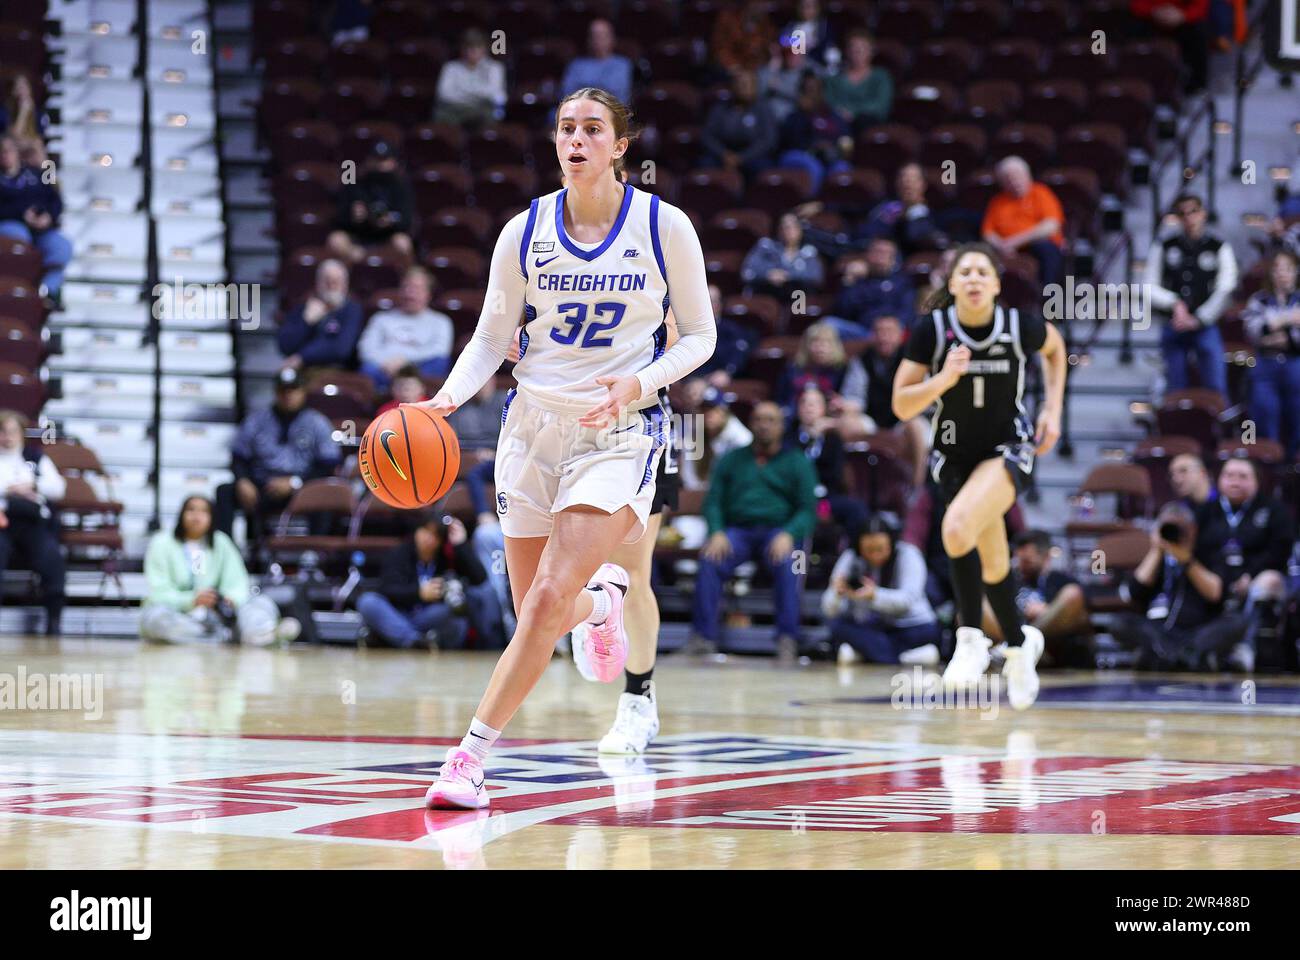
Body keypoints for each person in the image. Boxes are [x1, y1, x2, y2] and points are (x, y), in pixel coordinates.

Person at [412, 86, 716, 810]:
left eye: (591, 129)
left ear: (620, 146)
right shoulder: (523, 230)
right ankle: (604, 607)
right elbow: (492, 336)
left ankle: (469, 759)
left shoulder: (664, 226)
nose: (575, 140)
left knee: (549, 594)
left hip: (617, 429)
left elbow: (702, 337)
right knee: (537, 612)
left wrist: (639, 381)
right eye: (564, 129)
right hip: (531, 428)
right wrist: (446, 400)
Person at [892, 242, 1067, 709]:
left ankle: (969, 637)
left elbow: (1055, 348)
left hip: (1008, 448)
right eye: (964, 271)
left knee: (956, 527)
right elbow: (901, 403)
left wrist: (1052, 409)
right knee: (991, 562)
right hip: (953, 456)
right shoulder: (932, 331)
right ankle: (1018, 644)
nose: (972, 279)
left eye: (981, 272)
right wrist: (941, 381)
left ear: (995, 284)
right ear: (951, 284)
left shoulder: (1017, 325)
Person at [568, 313, 685, 756]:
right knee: (562, 553)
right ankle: (592, 607)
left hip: (639, 421)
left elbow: (681, 337)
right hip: (563, 415)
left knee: (632, 571)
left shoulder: (657, 251)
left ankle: (639, 699)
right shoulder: (553, 253)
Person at [684, 401, 817, 663]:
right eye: (758, 419)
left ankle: (787, 639)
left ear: (781, 426)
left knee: (793, 564)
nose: (763, 425)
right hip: (738, 533)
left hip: (778, 533)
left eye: (770, 420)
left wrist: (789, 533)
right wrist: (717, 531)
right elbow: (713, 501)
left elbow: (808, 510)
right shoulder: (732, 460)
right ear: (750, 423)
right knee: (710, 559)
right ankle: (703, 638)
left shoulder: (797, 462)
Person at [140, 496, 300, 646]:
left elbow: (237, 582)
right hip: (178, 613)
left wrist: (230, 599)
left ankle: (262, 632)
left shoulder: (221, 542)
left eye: (204, 511)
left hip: (216, 615)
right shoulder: (162, 543)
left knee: (260, 601)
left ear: (211, 517)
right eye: (191, 510)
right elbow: (158, 591)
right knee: (155, 618)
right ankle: (225, 637)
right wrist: (191, 600)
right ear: (181, 514)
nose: (197, 516)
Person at [214, 368, 341, 543]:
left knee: (324, 496)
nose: (288, 395)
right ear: (275, 392)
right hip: (262, 486)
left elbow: (328, 464)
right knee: (225, 492)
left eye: (293, 390)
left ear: (303, 391)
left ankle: (316, 555)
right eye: (283, 390)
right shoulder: (257, 420)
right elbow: (239, 457)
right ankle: (227, 553)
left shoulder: (317, 422)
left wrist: (295, 482)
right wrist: (243, 480)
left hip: (302, 486)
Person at [1193, 457, 1295, 672]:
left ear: (1256, 481)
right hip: (1215, 578)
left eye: (1243, 477)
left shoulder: (1274, 510)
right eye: (1229, 476)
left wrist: (1250, 575)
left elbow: (1279, 551)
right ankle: (1202, 647)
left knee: (1268, 582)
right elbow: (1198, 550)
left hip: (1256, 577)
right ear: (1219, 480)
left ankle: (1245, 646)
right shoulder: (1205, 512)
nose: (1235, 482)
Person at [1111, 502, 1238, 670]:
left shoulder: (1208, 552)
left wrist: (1186, 560)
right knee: (1119, 622)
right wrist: (1157, 550)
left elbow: (1214, 593)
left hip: (1197, 631)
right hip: (1158, 631)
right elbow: (1134, 592)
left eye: (1178, 528)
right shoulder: (1156, 556)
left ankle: (1165, 657)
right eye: (1167, 527)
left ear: (1192, 529)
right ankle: (1183, 658)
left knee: (1236, 621)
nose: (1173, 533)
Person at [356, 513, 502, 649]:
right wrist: (419, 593)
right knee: (368, 602)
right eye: (426, 531)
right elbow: (387, 589)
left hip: (429, 616)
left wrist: (460, 544)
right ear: (417, 531)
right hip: (400, 613)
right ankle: (414, 641)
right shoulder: (400, 553)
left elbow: (479, 579)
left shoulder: (446, 557)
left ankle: (397, 638)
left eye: (436, 535)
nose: (429, 539)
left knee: (458, 617)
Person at [1143, 193, 1237, 398]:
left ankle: (1217, 426)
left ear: (1203, 214)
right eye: (1183, 213)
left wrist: (1200, 318)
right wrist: (1174, 303)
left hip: (1206, 325)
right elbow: (1148, 286)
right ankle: (1177, 427)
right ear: (1177, 218)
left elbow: (1226, 288)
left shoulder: (1218, 246)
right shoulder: (1164, 246)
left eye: (1193, 211)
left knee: (1216, 385)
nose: (1189, 218)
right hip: (1174, 323)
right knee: (1175, 388)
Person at [822, 514, 941, 664]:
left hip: (910, 626)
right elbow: (829, 610)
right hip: (871, 627)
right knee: (837, 626)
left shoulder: (909, 554)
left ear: (891, 544)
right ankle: (906, 657)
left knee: (929, 632)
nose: (874, 556)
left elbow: (907, 601)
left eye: (880, 549)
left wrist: (875, 595)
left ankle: (866, 655)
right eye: (868, 550)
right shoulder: (851, 557)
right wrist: (837, 594)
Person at [982, 529, 1092, 667]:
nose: (1021, 566)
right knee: (976, 603)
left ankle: (1021, 646)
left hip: (1048, 638)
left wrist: (1048, 610)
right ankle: (1017, 645)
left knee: (1073, 594)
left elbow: (1082, 606)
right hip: (1009, 628)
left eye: (1027, 561)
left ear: (1046, 557)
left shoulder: (1060, 580)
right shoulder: (1011, 580)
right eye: (1019, 560)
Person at [0, 410, 66, 635]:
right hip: (2, 522)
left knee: (52, 557)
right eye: (2, 431)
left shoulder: (35, 458)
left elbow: (58, 488)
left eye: (12, 431)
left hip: (32, 522)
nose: (7, 437)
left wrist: (33, 486)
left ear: (21, 434)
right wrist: (9, 491)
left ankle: (54, 622)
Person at [0, 135, 72, 305]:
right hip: (11, 224)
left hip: (40, 228)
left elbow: (55, 200)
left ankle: (45, 292)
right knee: (17, 240)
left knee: (61, 246)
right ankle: (17, 289)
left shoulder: (36, 174)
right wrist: (22, 214)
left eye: (8, 151)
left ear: (17, 152)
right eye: (1, 152)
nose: (5, 155)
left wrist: (48, 216)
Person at [357, 267, 454, 392]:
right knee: (367, 369)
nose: (410, 293)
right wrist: (387, 363)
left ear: (428, 294)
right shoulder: (381, 319)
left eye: (416, 288)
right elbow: (365, 349)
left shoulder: (441, 321)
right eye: (406, 287)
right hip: (386, 369)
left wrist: (405, 363)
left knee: (440, 363)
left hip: (419, 370)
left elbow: (440, 350)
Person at [1242, 250, 1300, 457]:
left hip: (1296, 364)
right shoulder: (1259, 300)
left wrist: (1274, 330)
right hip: (1265, 365)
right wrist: (1289, 320)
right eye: (1277, 268)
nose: (1282, 274)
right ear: (1271, 273)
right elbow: (1255, 333)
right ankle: (1270, 467)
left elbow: (1271, 334)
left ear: (1295, 272)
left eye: (1287, 269)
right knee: (1265, 416)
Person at [860, 314, 928, 486]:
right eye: (879, 332)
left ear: (900, 335)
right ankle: (858, 490)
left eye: (889, 332)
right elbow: (854, 400)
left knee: (914, 426)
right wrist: (846, 407)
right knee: (847, 423)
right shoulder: (862, 360)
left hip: (907, 419)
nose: (883, 337)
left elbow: (925, 397)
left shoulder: (914, 359)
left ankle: (917, 486)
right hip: (872, 419)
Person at [792, 385, 867, 535]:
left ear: (823, 409)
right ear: (798, 408)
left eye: (814, 403)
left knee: (856, 509)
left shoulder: (833, 439)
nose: (809, 407)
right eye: (804, 403)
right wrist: (811, 438)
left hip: (824, 499)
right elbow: (793, 470)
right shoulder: (789, 437)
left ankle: (850, 554)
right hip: (795, 498)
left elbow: (835, 475)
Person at [981, 156, 1066, 289]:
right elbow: (988, 233)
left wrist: (1015, 242)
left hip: (1036, 244)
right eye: (1008, 179)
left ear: (1028, 175)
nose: (1014, 182)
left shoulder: (1041, 193)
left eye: (1017, 176)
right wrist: (1001, 246)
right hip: (1005, 248)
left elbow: (1051, 225)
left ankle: (1049, 298)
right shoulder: (997, 202)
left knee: (1047, 250)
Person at [327, 140, 415, 267]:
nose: (380, 165)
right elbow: (339, 216)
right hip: (358, 239)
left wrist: (390, 220)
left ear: (393, 162)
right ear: (368, 161)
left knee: (403, 243)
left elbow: (407, 219)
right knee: (335, 240)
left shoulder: (400, 185)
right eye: (376, 160)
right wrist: (353, 216)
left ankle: (407, 282)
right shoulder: (353, 181)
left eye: (384, 160)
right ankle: (344, 281)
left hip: (386, 239)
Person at [777, 322, 872, 435]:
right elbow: (782, 400)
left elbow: (856, 402)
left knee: (863, 425)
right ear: (806, 346)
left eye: (826, 343)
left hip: (833, 418)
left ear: (835, 345)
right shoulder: (794, 368)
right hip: (796, 418)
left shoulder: (846, 367)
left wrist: (843, 405)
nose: (820, 348)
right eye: (815, 342)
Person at [277, 259, 364, 372]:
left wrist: (302, 357)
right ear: (318, 283)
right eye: (327, 281)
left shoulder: (352, 310)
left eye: (336, 281)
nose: (332, 286)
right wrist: (306, 322)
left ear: (346, 285)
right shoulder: (303, 308)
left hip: (339, 373)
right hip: (303, 371)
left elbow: (341, 349)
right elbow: (285, 346)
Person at [774, 72, 851, 195]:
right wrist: (804, 115)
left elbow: (845, 138)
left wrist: (832, 147)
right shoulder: (794, 116)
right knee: (813, 167)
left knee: (841, 167)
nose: (810, 93)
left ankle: (835, 206)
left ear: (821, 92)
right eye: (806, 90)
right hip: (798, 154)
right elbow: (789, 141)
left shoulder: (831, 115)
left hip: (827, 156)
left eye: (814, 89)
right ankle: (811, 204)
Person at [826, 236, 914, 339]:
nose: (880, 257)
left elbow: (907, 312)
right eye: (876, 252)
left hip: (892, 333)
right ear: (868, 255)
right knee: (828, 324)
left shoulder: (902, 282)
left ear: (894, 258)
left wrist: (888, 328)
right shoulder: (859, 281)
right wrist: (849, 280)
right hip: (863, 330)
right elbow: (843, 310)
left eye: (885, 253)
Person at [700, 70, 778, 183]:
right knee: (705, 164)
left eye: (747, 84)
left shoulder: (763, 109)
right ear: (732, 86)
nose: (743, 87)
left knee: (763, 168)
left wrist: (742, 158)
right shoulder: (720, 108)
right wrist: (723, 154)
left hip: (753, 156)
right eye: (740, 84)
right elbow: (707, 136)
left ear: (755, 87)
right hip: (723, 154)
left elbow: (768, 140)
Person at [679, 384, 754, 490]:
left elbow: (743, 475)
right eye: (704, 409)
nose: (708, 414)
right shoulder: (694, 431)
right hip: (701, 492)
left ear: (724, 411)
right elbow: (689, 474)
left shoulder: (742, 438)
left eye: (713, 409)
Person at [1129, 0, 1210, 92]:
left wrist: (1183, 15)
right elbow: (1136, 4)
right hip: (1151, 18)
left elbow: (1201, 6)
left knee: (1198, 32)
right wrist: (1153, 11)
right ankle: (1138, 86)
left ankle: (1196, 87)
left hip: (1183, 19)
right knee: (1134, 29)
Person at [740, 212, 825, 300]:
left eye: (793, 226)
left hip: (797, 298)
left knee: (802, 300)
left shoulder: (808, 252)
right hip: (767, 295)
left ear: (800, 230)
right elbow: (747, 272)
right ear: (778, 229)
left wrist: (788, 276)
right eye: (785, 227)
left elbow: (816, 278)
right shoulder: (766, 246)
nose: (789, 230)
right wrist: (767, 274)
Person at [434, 29, 507, 128]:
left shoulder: (495, 68)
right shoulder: (450, 67)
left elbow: (495, 95)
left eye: (477, 47)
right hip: (454, 110)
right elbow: (444, 94)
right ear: (461, 49)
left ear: (485, 49)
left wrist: (462, 91)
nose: (472, 51)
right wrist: (477, 95)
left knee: (490, 115)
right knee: (440, 115)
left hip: (482, 112)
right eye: (468, 47)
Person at [823, 30, 892, 133]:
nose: (857, 53)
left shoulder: (881, 77)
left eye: (862, 48)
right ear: (846, 51)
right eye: (853, 49)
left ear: (871, 51)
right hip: (838, 124)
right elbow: (829, 102)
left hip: (868, 125)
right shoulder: (835, 79)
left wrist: (853, 112)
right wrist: (841, 112)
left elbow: (880, 105)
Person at [559, 19, 633, 107]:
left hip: (611, 112)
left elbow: (617, 94)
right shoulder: (576, 65)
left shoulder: (622, 64)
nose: (597, 40)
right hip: (579, 111)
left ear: (612, 39)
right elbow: (567, 94)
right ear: (588, 39)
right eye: (594, 36)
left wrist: (583, 89)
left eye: (602, 36)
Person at [712, 0, 778, 75]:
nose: (760, 6)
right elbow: (720, 48)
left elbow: (767, 47)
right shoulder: (727, 18)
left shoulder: (765, 23)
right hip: (727, 71)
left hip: (755, 72)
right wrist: (735, 67)